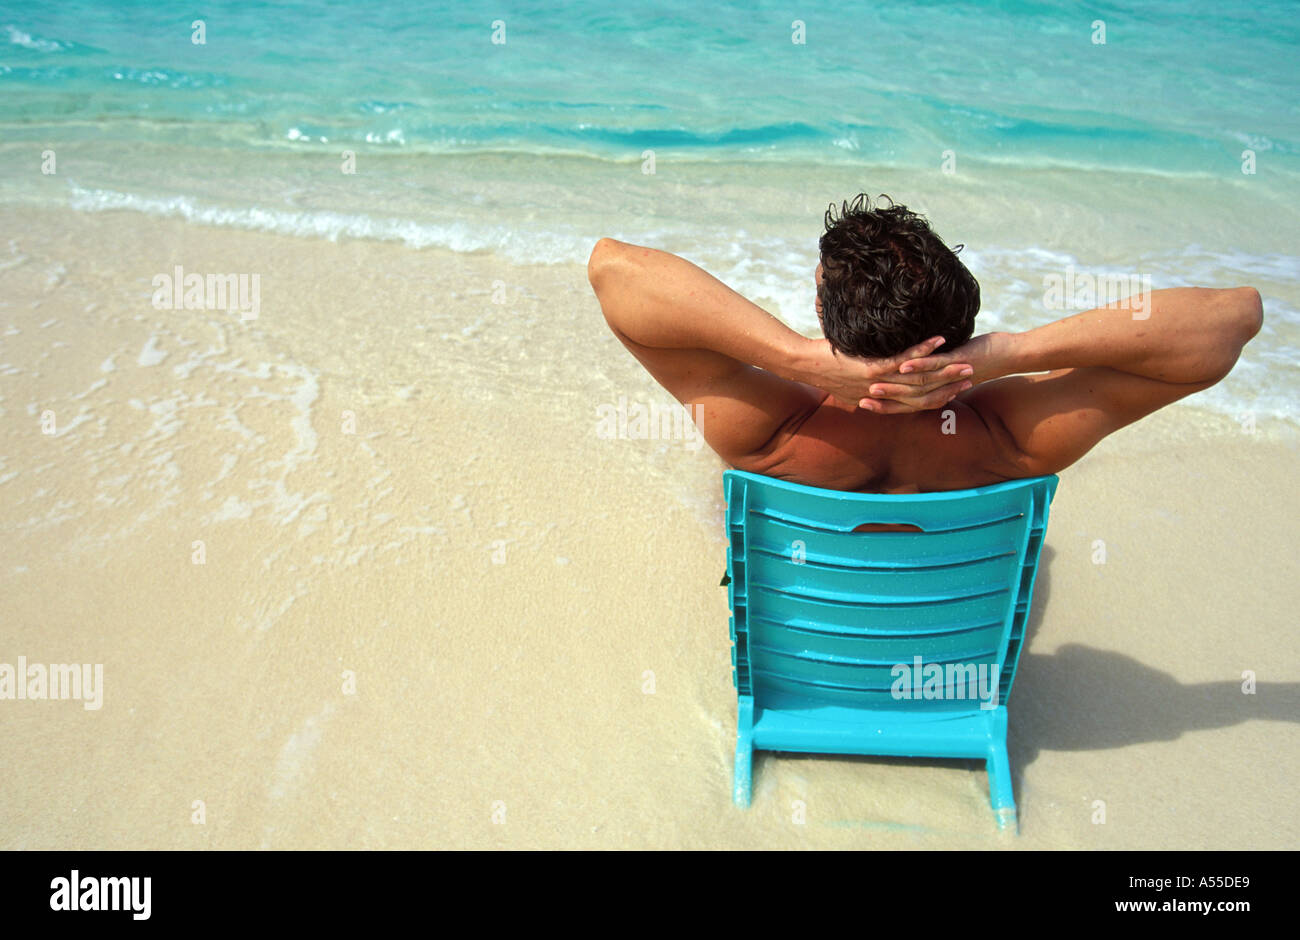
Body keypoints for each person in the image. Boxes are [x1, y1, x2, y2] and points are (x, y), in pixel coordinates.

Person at [587, 194, 1262, 493]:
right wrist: (1011, 354)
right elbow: (1231, 319)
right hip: (953, 642)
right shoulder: (1016, 439)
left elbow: (612, 269)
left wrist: (793, 357)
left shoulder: (766, 433)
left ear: (827, 318)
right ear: (961, 326)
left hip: (800, 645)